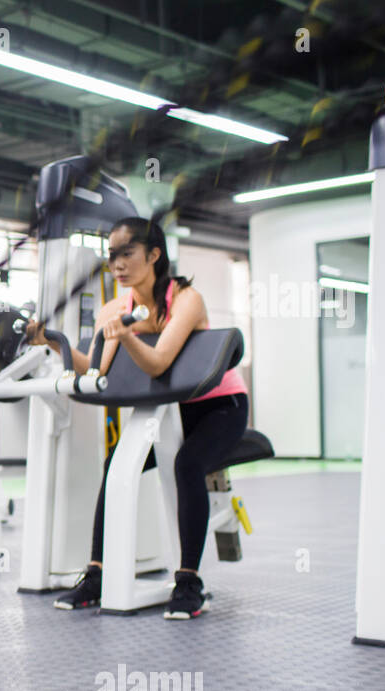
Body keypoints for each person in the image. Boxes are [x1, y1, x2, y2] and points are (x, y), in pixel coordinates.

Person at [49, 217, 249, 620]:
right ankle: (97, 575)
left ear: (154, 254)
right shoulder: (115, 308)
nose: (117, 264)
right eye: (112, 256)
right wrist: (56, 344)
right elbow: (97, 373)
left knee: (187, 464)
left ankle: (189, 582)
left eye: (127, 253)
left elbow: (158, 364)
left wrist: (126, 336)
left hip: (218, 408)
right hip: (170, 412)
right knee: (116, 466)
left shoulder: (185, 298)